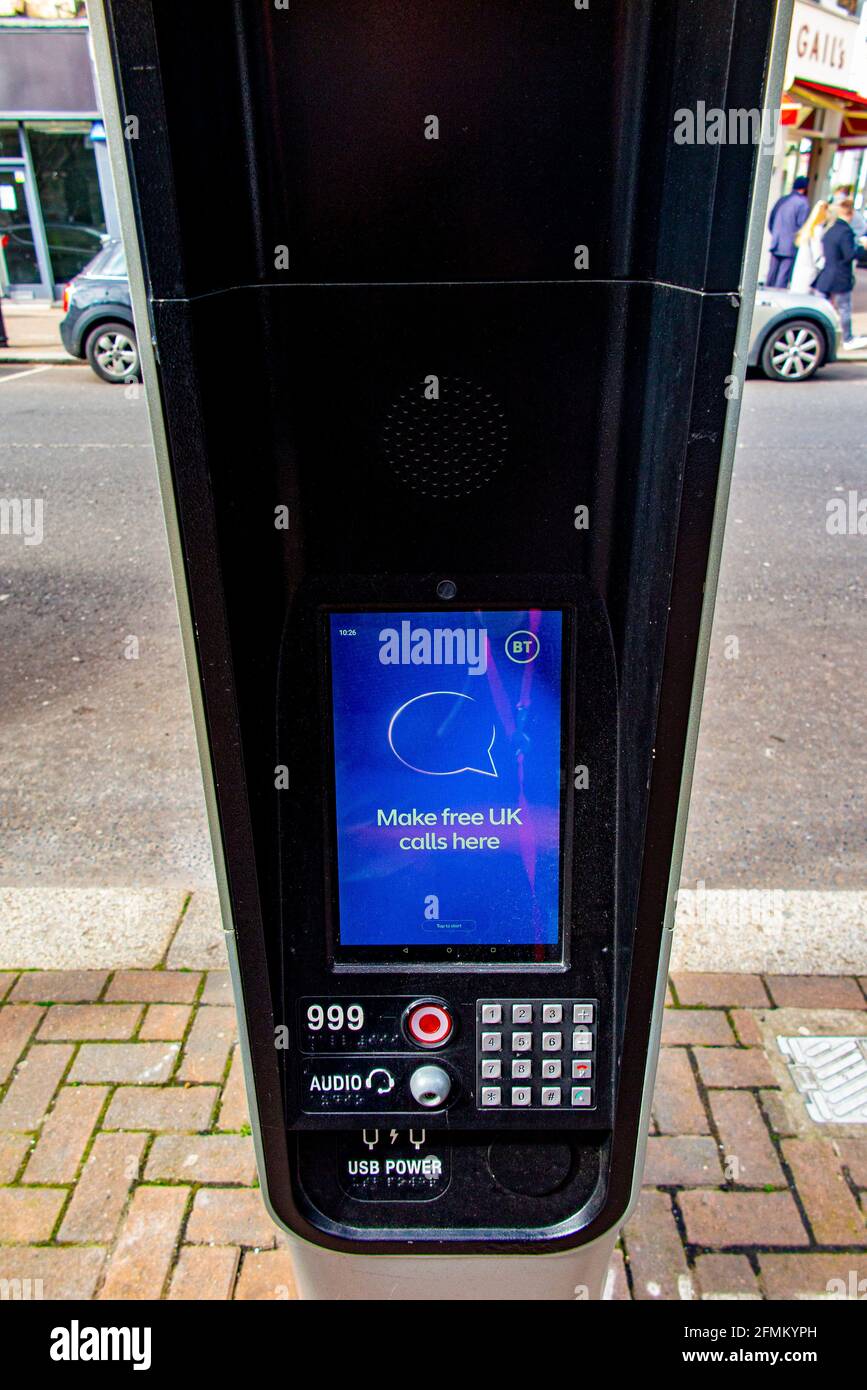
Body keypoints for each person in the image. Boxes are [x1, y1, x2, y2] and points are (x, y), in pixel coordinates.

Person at [813, 196, 867, 349]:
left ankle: (821, 335)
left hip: (826, 274)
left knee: (822, 307)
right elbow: (850, 254)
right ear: (849, 214)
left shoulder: (830, 229)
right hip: (841, 276)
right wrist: (862, 248)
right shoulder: (846, 232)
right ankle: (847, 338)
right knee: (844, 308)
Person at [766, 175, 810, 288]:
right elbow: (802, 225)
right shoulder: (802, 203)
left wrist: (775, 233)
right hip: (790, 243)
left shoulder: (783, 200)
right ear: (804, 188)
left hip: (776, 241)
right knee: (783, 276)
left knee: (771, 274)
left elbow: (771, 219)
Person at [790, 199, 829, 293]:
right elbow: (817, 253)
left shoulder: (808, 228)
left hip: (801, 270)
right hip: (809, 270)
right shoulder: (817, 230)